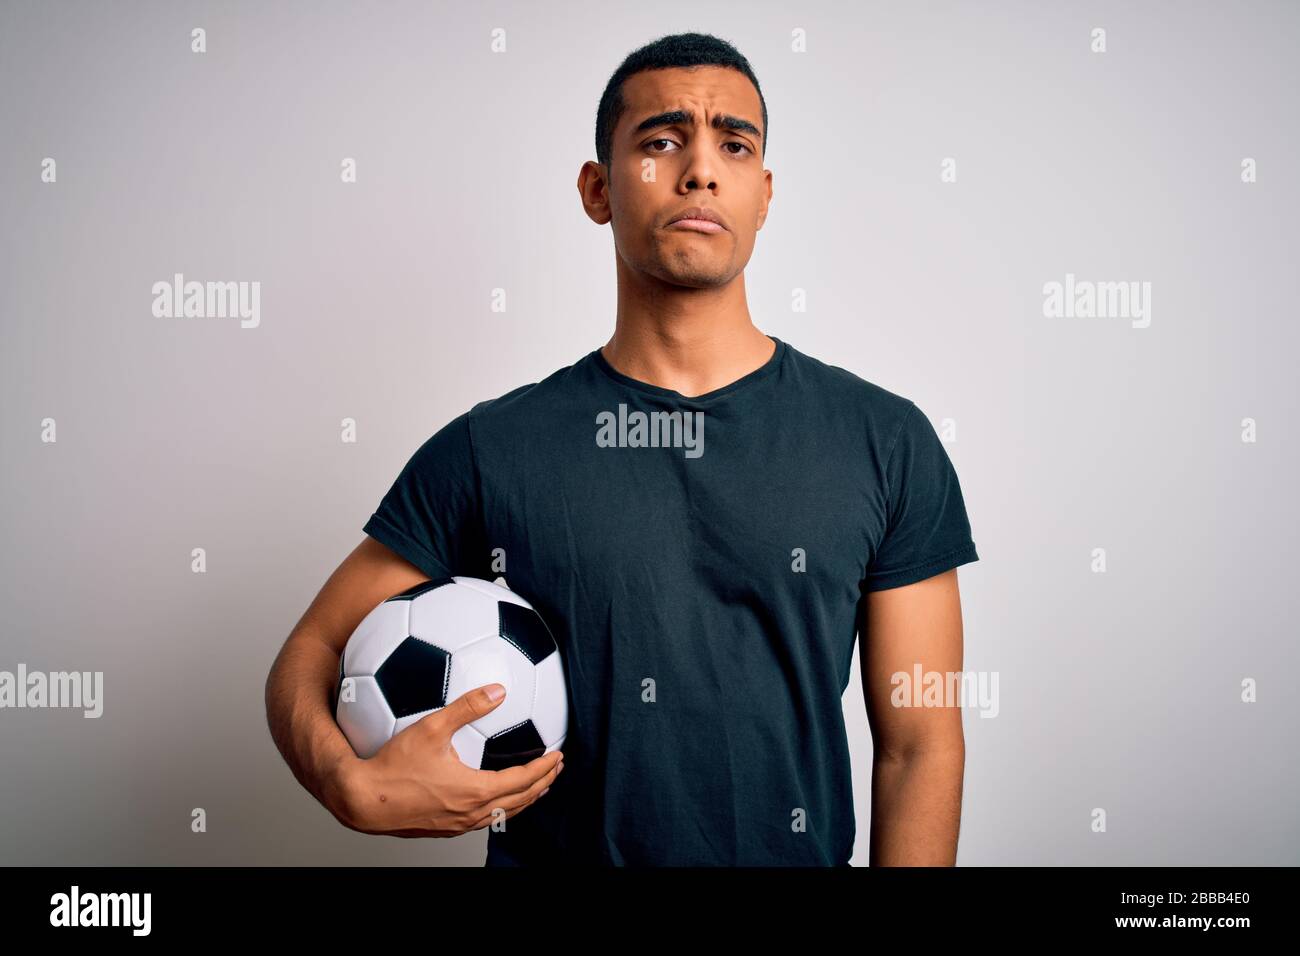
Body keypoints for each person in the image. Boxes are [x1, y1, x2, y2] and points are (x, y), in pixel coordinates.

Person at [265, 31, 978, 866]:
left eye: (734, 145)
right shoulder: (491, 449)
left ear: (764, 192)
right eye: (663, 140)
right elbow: (308, 653)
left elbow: (920, 746)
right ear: (598, 189)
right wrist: (341, 782)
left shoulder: (885, 441)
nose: (701, 170)